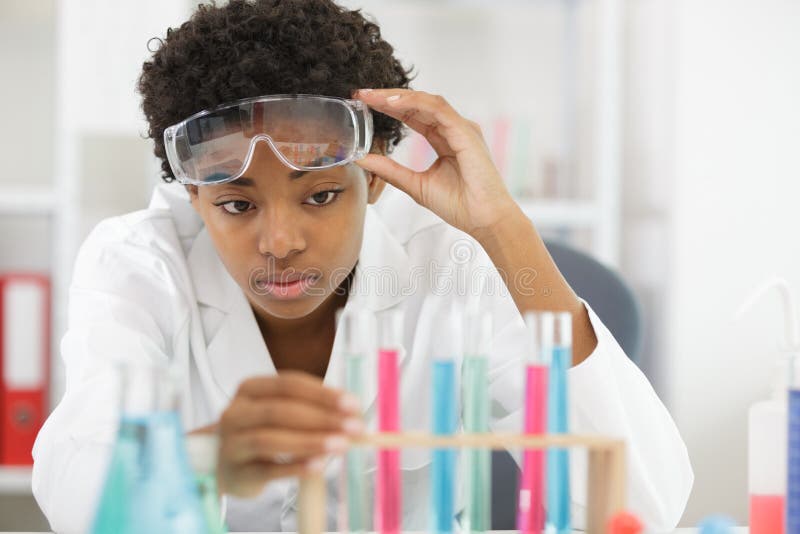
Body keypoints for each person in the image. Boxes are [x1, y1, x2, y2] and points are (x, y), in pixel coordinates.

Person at [31, 1, 693, 532]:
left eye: (319, 194)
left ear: (373, 178)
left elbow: (639, 506)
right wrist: (195, 461)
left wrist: (505, 229)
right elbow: (74, 493)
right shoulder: (138, 265)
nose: (280, 240)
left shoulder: (452, 257)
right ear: (194, 195)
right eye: (237, 204)